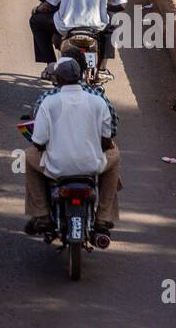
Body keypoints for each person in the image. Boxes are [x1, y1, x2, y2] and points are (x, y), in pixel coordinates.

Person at [24, 54, 121, 235]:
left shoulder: (48, 101)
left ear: (58, 79)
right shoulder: (98, 100)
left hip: (56, 167)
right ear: (81, 76)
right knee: (115, 154)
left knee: (28, 156)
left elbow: (38, 142)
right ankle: (103, 216)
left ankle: (42, 213)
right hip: (92, 166)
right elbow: (107, 139)